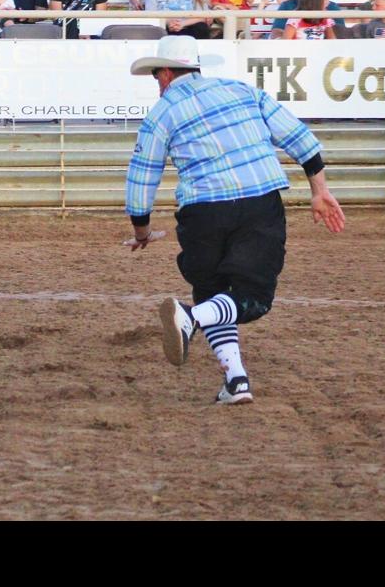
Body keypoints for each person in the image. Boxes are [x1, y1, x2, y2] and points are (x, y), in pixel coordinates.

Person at [125, 35, 346, 406]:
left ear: (164, 74)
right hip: (259, 200)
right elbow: (300, 139)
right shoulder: (242, 91)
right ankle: (193, 319)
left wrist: (142, 231)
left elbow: (141, 178)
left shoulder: (160, 114)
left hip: (202, 211)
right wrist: (319, 190)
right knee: (252, 296)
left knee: (213, 291)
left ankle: (236, 380)